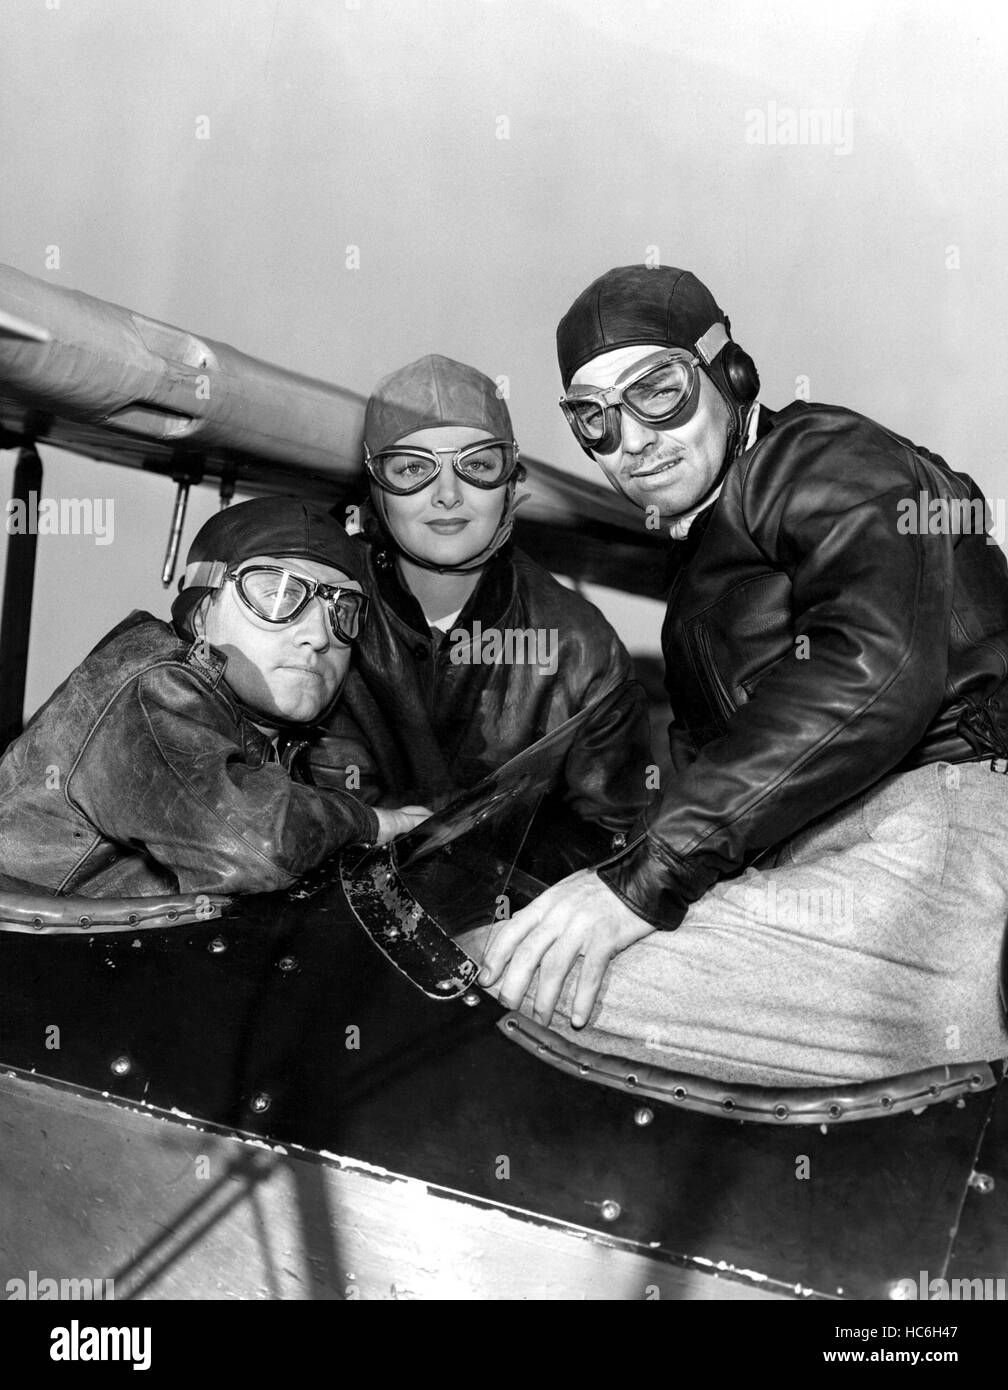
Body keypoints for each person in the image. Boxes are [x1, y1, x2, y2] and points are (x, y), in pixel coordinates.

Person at [474, 263, 1008, 1086]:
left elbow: (872, 666)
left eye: (658, 393)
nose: (633, 440)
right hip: (825, 848)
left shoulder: (822, 456)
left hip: (937, 835)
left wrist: (641, 880)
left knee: (513, 981)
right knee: (511, 946)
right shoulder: (704, 571)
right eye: (595, 419)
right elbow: (709, 777)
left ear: (732, 373)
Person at [313, 353, 653, 867]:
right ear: (375, 486)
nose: (447, 495)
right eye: (411, 468)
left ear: (510, 480)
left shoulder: (582, 648)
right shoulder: (311, 612)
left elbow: (612, 847)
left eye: (476, 465)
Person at [0, 498, 427, 899]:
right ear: (203, 615)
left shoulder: (269, 735)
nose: (318, 635)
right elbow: (254, 845)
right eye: (277, 594)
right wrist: (374, 823)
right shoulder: (149, 690)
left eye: (342, 609)